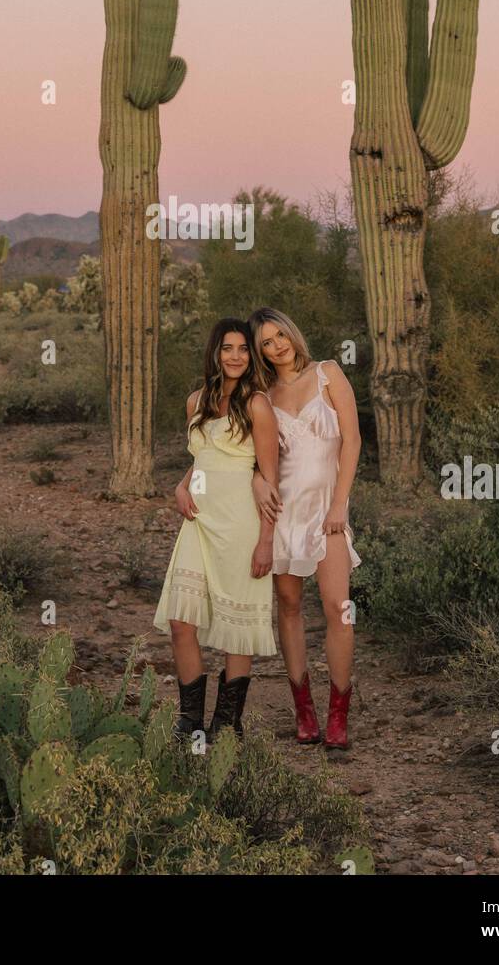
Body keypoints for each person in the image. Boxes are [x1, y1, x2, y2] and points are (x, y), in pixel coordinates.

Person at [153, 318, 280, 744]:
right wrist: (182, 484)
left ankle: (227, 725)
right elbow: (204, 456)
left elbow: (267, 477)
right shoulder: (196, 401)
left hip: (242, 525)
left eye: (244, 349)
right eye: (228, 348)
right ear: (215, 352)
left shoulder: (258, 405)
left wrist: (266, 540)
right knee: (180, 621)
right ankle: (189, 720)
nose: (236, 356)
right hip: (199, 522)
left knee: (235, 624)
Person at [248, 307, 361, 750]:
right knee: (290, 609)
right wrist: (257, 480)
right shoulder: (263, 395)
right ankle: (304, 711)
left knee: (339, 610)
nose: (278, 346)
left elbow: (351, 440)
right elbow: (253, 456)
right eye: (267, 343)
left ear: (292, 333)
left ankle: (338, 713)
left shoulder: (328, 373)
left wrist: (339, 505)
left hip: (327, 513)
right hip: (282, 515)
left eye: (280, 335)